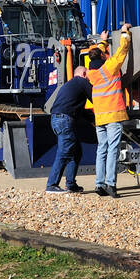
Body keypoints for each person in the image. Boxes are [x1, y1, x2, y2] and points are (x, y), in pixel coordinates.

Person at [86, 22, 132, 198]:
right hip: (113, 114)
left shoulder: (91, 74)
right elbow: (123, 49)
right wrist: (124, 31)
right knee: (113, 149)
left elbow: (95, 55)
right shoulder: (110, 67)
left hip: (100, 117)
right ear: (103, 57)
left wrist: (103, 42)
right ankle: (111, 185)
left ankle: (99, 184)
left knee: (101, 149)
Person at [45, 65, 91, 194]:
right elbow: (96, 98)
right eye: (89, 74)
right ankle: (51, 185)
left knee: (75, 152)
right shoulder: (82, 82)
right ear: (83, 73)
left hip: (57, 119)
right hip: (65, 120)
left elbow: (78, 109)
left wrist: (92, 120)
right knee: (64, 152)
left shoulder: (70, 85)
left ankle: (71, 184)